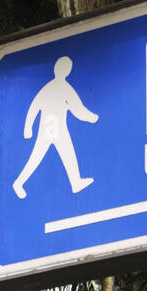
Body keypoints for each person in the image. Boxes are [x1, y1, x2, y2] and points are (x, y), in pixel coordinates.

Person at [13, 55, 99, 199]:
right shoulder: (63, 88)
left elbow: (35, 108)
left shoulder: (51, 87)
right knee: (39, 157)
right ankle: (19, 182)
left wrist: (28, 128)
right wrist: (93, 118)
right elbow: (78, 109)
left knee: (61, 155)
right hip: (54, 130)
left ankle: (76, 182)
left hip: (51, 130)